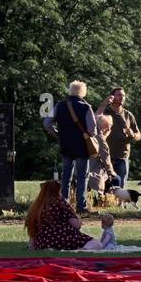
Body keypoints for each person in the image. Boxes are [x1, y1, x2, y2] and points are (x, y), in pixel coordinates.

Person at [43, 80, 98, 212]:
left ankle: (64, 205)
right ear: (83, 92)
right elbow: (92, 131)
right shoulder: (86, 107)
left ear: (70, 90)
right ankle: (81, 206)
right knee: (82, 177)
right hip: (82, 147)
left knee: (66, 176)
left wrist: (57, 134)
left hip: (65, 145)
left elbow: (47, 123)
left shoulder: (59, 105)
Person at [25, 179, 93, 250]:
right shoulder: (60, 203)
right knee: (95, 244)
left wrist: (32, 245)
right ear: (58, 190)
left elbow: (31, 231)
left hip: (41, 242)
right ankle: (81, 250)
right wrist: (77, 217)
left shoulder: (36, 207)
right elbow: (76, 225)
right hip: (62, 239)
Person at [96, 87, 141, 188]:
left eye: (123, 95)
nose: (122, 97)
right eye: (119, 95)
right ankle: (104, 202)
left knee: (120, 186)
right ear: (112, 97)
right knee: (104, 185)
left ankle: (119, 204)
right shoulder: (105, 111)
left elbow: (139, 135)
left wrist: (133, 135)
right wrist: (104, 103)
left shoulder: (128, 115)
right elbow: (95, 117)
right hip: (106, 156)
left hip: (122, 156)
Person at [86, 114, 120, 195]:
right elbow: (106, 158)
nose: (108, 129)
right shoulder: (100, 138)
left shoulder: (88, 133)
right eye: (106, 126)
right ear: (99, 125)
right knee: (117, 179)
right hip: (94, 172)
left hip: (79, 170)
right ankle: (109, 200)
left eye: (110, 126)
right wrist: (111, 172)